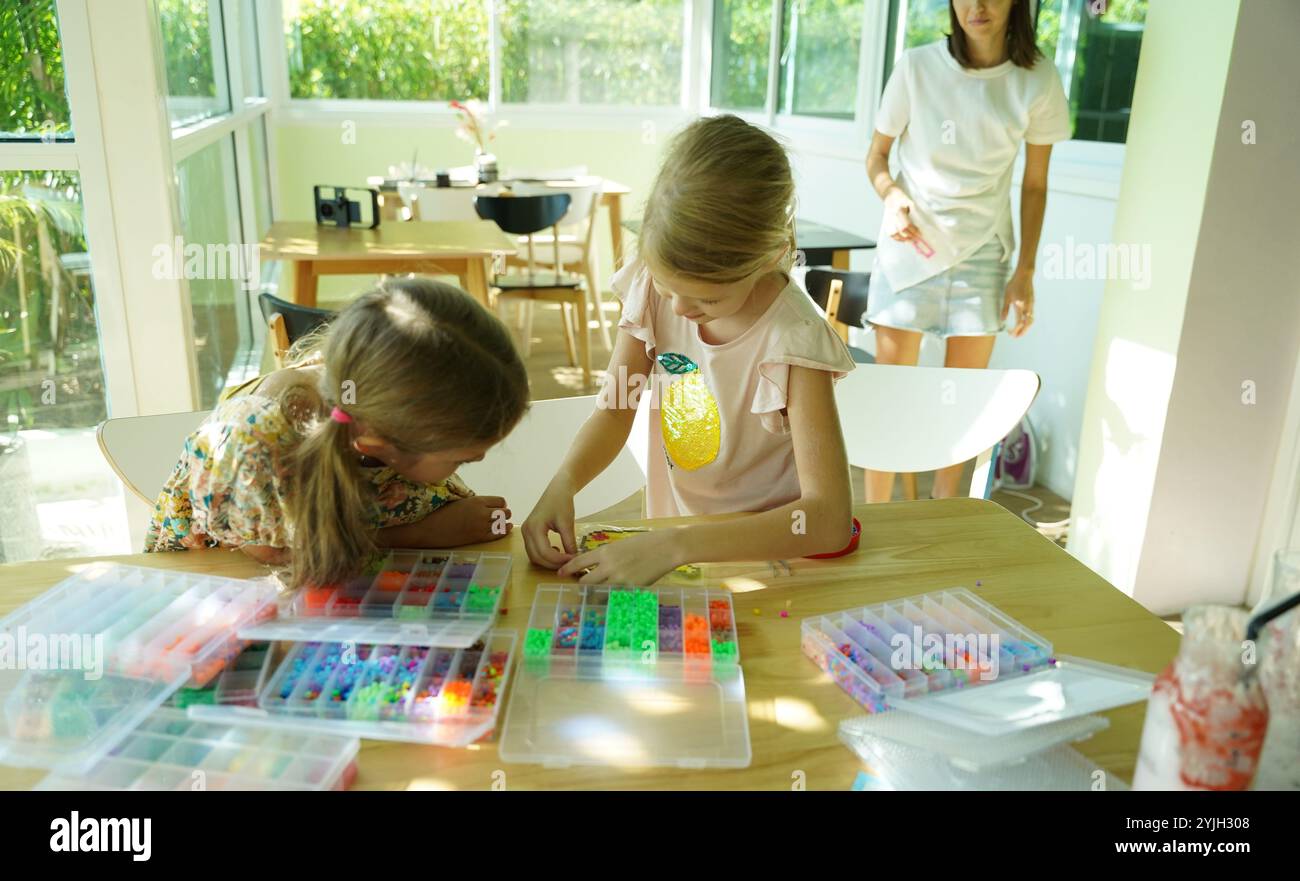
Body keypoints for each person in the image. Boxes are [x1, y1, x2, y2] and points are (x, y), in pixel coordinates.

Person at [522, 114, 856, 585]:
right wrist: (564, 483)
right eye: (666, 285)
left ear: (770, 257)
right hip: (673, 556)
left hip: (771, 566)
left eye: (708, 298)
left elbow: (827, 520)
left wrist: (678, 543)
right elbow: (616, 410)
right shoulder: (653, 289)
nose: (679, 308)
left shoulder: (794, 340)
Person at [146, 277, 529, 588]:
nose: (477, 460)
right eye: (460, 457)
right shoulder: (258, 448)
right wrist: (422, 533)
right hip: (223, 594)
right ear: (378, 444)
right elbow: (283, 558)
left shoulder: (367, 398)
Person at [863, 0, 1070, 500]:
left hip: (983, 254)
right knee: (893, 401)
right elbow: (876, 157)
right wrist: (893, 198)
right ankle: (879, 522)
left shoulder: (1037, 79)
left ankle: (942, 526)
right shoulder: (916, 66)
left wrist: (1025, 271)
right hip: (910, 249)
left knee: (959, 409)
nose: (975, 7)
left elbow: (1035, 186)